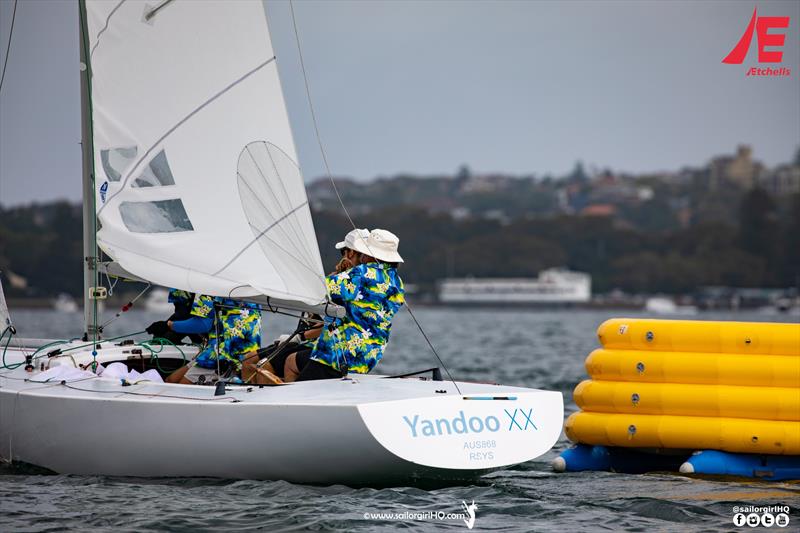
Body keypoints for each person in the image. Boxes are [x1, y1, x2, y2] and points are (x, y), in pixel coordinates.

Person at [241, 228, 369, 384]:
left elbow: (332, 324)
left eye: (344, 251)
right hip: (319, 345)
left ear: (350, 253)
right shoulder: (362, 284)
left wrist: (300, 337)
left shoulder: (344, 284)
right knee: (252, 360)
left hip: (319, 347)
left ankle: (278, 395)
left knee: (256, 363)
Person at [288, 228, 405, 381]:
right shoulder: (397, 282)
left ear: (370, 253)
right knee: (293, 362)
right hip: (368, 357)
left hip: (337, 355)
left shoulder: (362, 273)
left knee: (292, 369)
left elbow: (320, 289)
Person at [166, 295, 262, 384]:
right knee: (170, 380)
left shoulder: (206, 287)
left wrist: (171, 325)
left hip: (221, 355)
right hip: (247, 355)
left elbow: (203, 324)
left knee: (179, 387)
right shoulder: (251, 292)